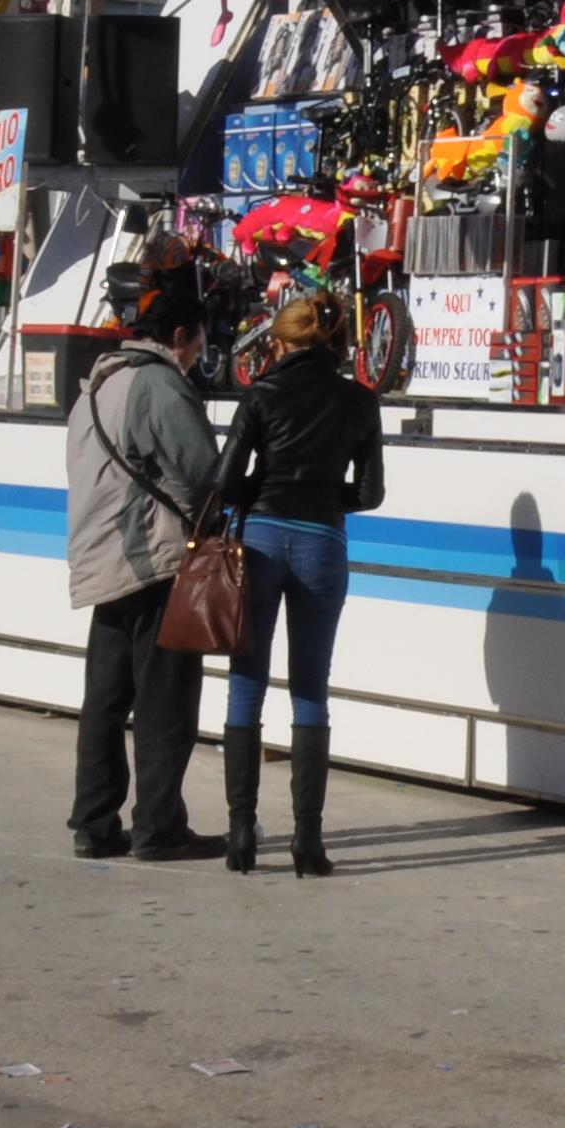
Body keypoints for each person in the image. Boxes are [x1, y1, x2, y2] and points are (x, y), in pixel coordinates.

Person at [211, 286, 386, 876]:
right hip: (322, 543)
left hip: (260, 540)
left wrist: (270, 489)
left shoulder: (261, 393)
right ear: (336, 343)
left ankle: (240, 835)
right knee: (311, 689)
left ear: (281, 342)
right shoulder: (361, 401)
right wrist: (319, 494)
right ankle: (308, 843)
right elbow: (370, 493)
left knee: (245, 684)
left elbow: (226, 480)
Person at [64, 278, 221, 862]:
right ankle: (158, 828)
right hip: (152, 563)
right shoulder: (159, 384)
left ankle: (95, 823)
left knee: (105, 701)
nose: (197, 360)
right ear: (179, 336)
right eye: (198, 349)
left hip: (101, 561)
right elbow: (204, 470)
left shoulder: (97, 385)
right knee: (164, 702)